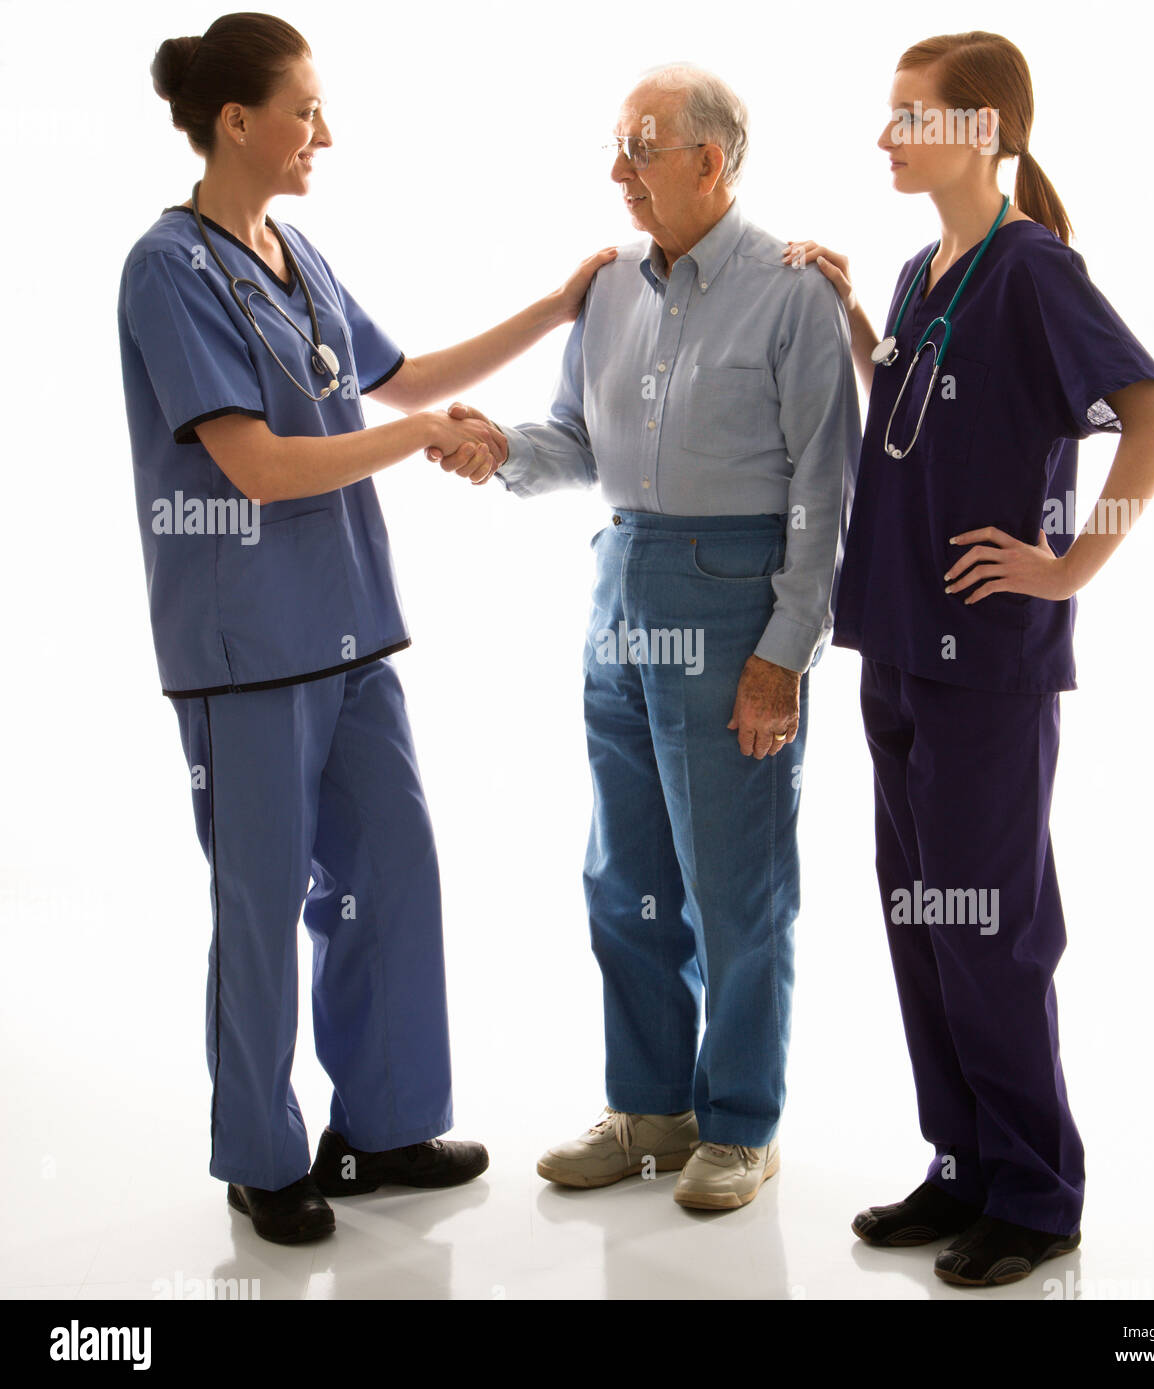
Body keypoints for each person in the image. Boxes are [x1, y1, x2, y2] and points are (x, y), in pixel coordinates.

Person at [117, 11, 614, 1245]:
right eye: (305, 111)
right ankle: (261, 1155)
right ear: (239, 121)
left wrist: (558, 307)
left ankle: (384, 1126)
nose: (322, 134)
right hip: (246, 649)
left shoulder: (299, 254)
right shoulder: (167, 269)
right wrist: (421, 437)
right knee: (262, 899)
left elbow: (406, 371)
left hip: (349, 635)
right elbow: (259, 467)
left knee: (390, 871)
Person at [783, 30, 1154, 1284]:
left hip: (985, 666)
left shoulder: (1031, 269)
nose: (886, 134)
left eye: (910, 114)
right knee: (921, 921)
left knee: (992, 928)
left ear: (979, 131)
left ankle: (1034, 1194)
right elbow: (911, 405)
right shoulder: (925, 270)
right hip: (897, 642)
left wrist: (1067, 565)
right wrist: (856, 316)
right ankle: (960, 1165)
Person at [441, 65, 860, 1212]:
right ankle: (653, 1109)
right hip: (620, 587)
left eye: (638, 147)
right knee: (621, 873)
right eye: (617, 146)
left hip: (733, 603)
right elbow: (578, 438)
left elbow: (827, 495)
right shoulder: (613, 286)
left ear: (709, 162)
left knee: (736, 883)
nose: (616, 170)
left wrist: (785, 651)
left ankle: (740, 1123)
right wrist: (503, 450)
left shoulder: (792, 294)